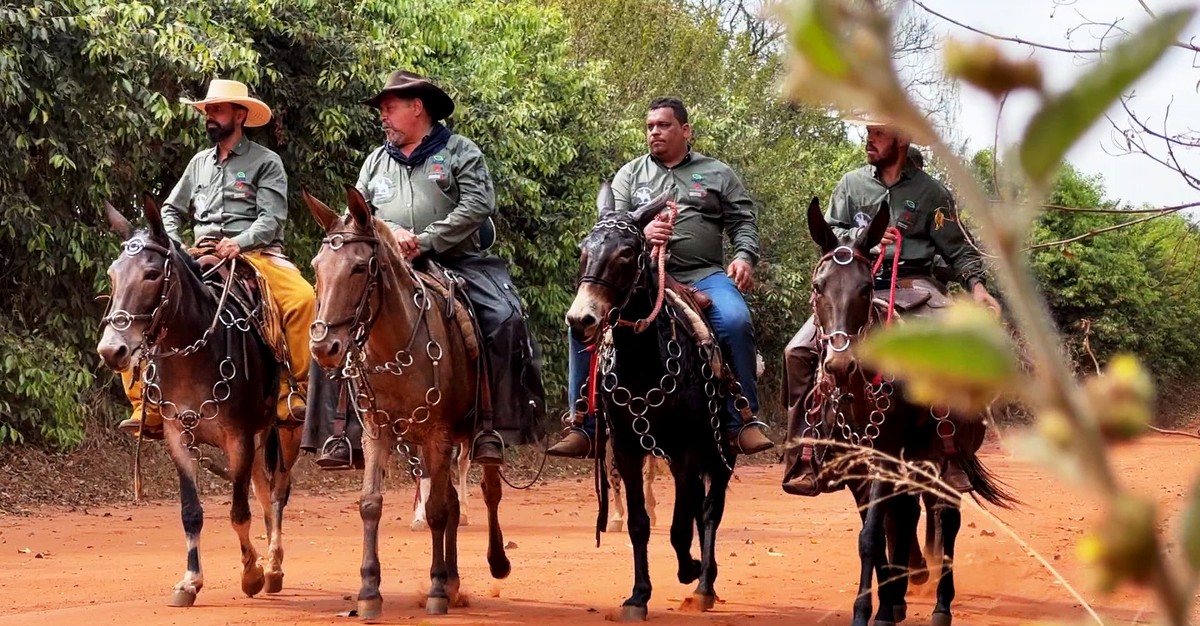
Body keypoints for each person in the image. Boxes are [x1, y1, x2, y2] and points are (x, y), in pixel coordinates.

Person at [313, 70, 546, 468]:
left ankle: (496, 424)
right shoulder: (375, 161)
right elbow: (359, 216)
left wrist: (424, 240)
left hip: (459, 260)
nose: (383, 117)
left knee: (505, 318)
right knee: (332, 318)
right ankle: (339, 434)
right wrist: (391, 235)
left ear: (416, 107)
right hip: (388, 265)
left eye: (389, 108)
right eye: (382, 110)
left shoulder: (460, 151)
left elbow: (476, 205)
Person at [780, 112, 1001, 497]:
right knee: (797, 350)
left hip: (917, 285)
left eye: (878, 133)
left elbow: (956, 248)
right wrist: (864, 239)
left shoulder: (933, 194)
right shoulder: (850, 185)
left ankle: (951, 449)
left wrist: (978, 288)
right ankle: (805, 454)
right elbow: (831, 236)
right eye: (868, 132)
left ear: (900, 139)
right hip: (854, 284)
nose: (869, 140)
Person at [546, 96, 773, 459]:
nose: (654, 132)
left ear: (686, 130)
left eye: (663, 125)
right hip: (640, 279)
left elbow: (743, 222)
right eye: (650, 126)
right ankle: (584, 425)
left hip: (704, 275)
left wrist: (744, 257)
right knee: (580, 322)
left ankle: (741, 420)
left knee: (735, 320)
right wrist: (644, 232)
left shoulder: (717, 173)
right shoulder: (630, 174)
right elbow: (611, 229)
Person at [118, 79, 312, 438]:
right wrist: (173, 244)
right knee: (135, 294)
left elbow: (271, 219)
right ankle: (144, 399)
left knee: (303, 300)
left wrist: (239, 242)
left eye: (217, 110)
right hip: (199, 253)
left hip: (256, 254)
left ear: (240, 115)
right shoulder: (198, 164)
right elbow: (171, 211)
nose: (210, 116)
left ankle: (295, 389)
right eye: (208, 110)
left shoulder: (266, 162)